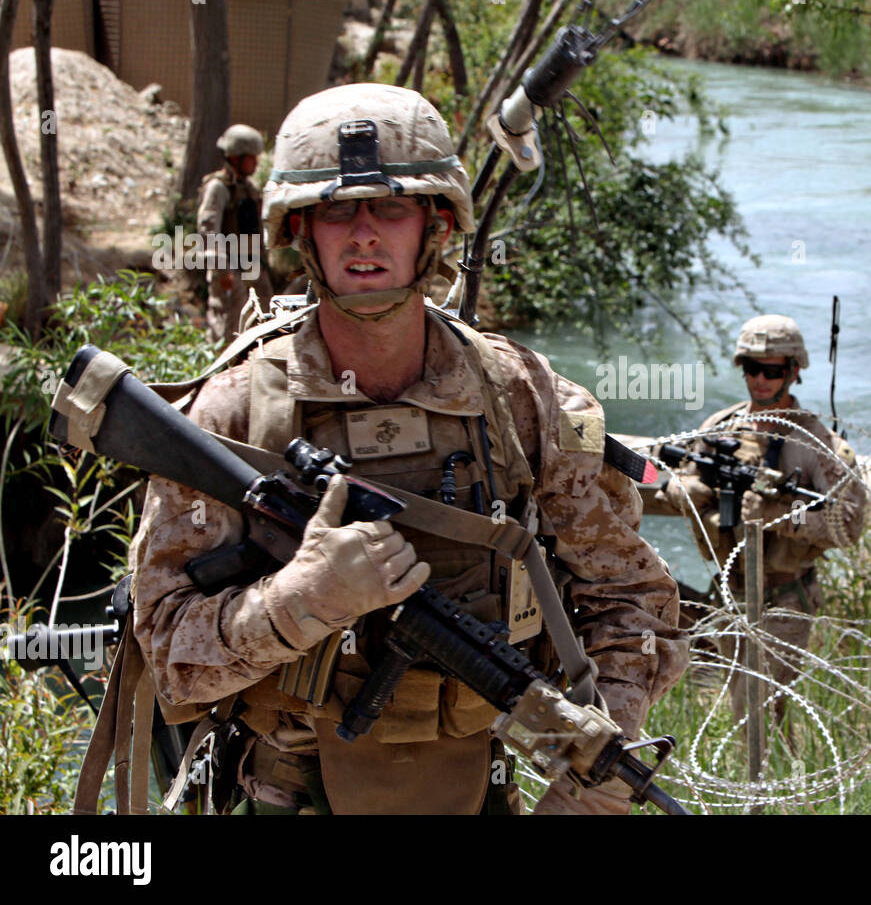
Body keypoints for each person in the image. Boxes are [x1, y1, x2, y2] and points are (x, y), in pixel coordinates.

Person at [128, 84, 688, 814]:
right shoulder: (235, 413)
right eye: (337, 210)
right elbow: (168, 659)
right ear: (301, 231)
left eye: (389, 208)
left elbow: (633, 601)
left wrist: (588, 782)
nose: (364, 234)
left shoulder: (528, 400)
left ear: (437, 226)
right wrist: (301, 601)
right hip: (287, 793)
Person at [663, 314, 865, 721]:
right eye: (752, 369)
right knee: (753, 709)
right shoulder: (722, 428)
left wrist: (781, 516)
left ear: (793, 372)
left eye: (772, 371)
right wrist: (684, 491)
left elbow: (849, 524)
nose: (760, 380)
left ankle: (765, 780)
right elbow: (678, 476)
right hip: (729, 590)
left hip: (783, 598)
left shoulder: (816, 445)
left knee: (753, 708)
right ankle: (774, 775)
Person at [197, 124, 271, 346]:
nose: (256, 164)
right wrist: (222, 269)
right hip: (230, 269)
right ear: (236, 158)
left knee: (266, 319)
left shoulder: (249, 188)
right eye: (251, 158)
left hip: (251, 265)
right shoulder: (218, 188)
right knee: (227, 330)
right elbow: (208, 229)